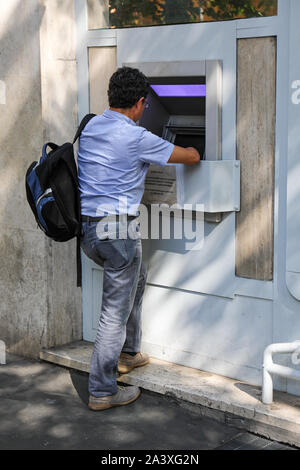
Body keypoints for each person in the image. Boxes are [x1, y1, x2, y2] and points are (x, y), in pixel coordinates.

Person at [78, 66, 200, 411]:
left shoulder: (90, 127)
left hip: (90, 233)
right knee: (111, 315)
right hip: (118, 231)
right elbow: (190, 156)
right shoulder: (136, 136)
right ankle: (102, 390)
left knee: (137, 275)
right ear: (142, 103)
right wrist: (197, 149)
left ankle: (130, 352)